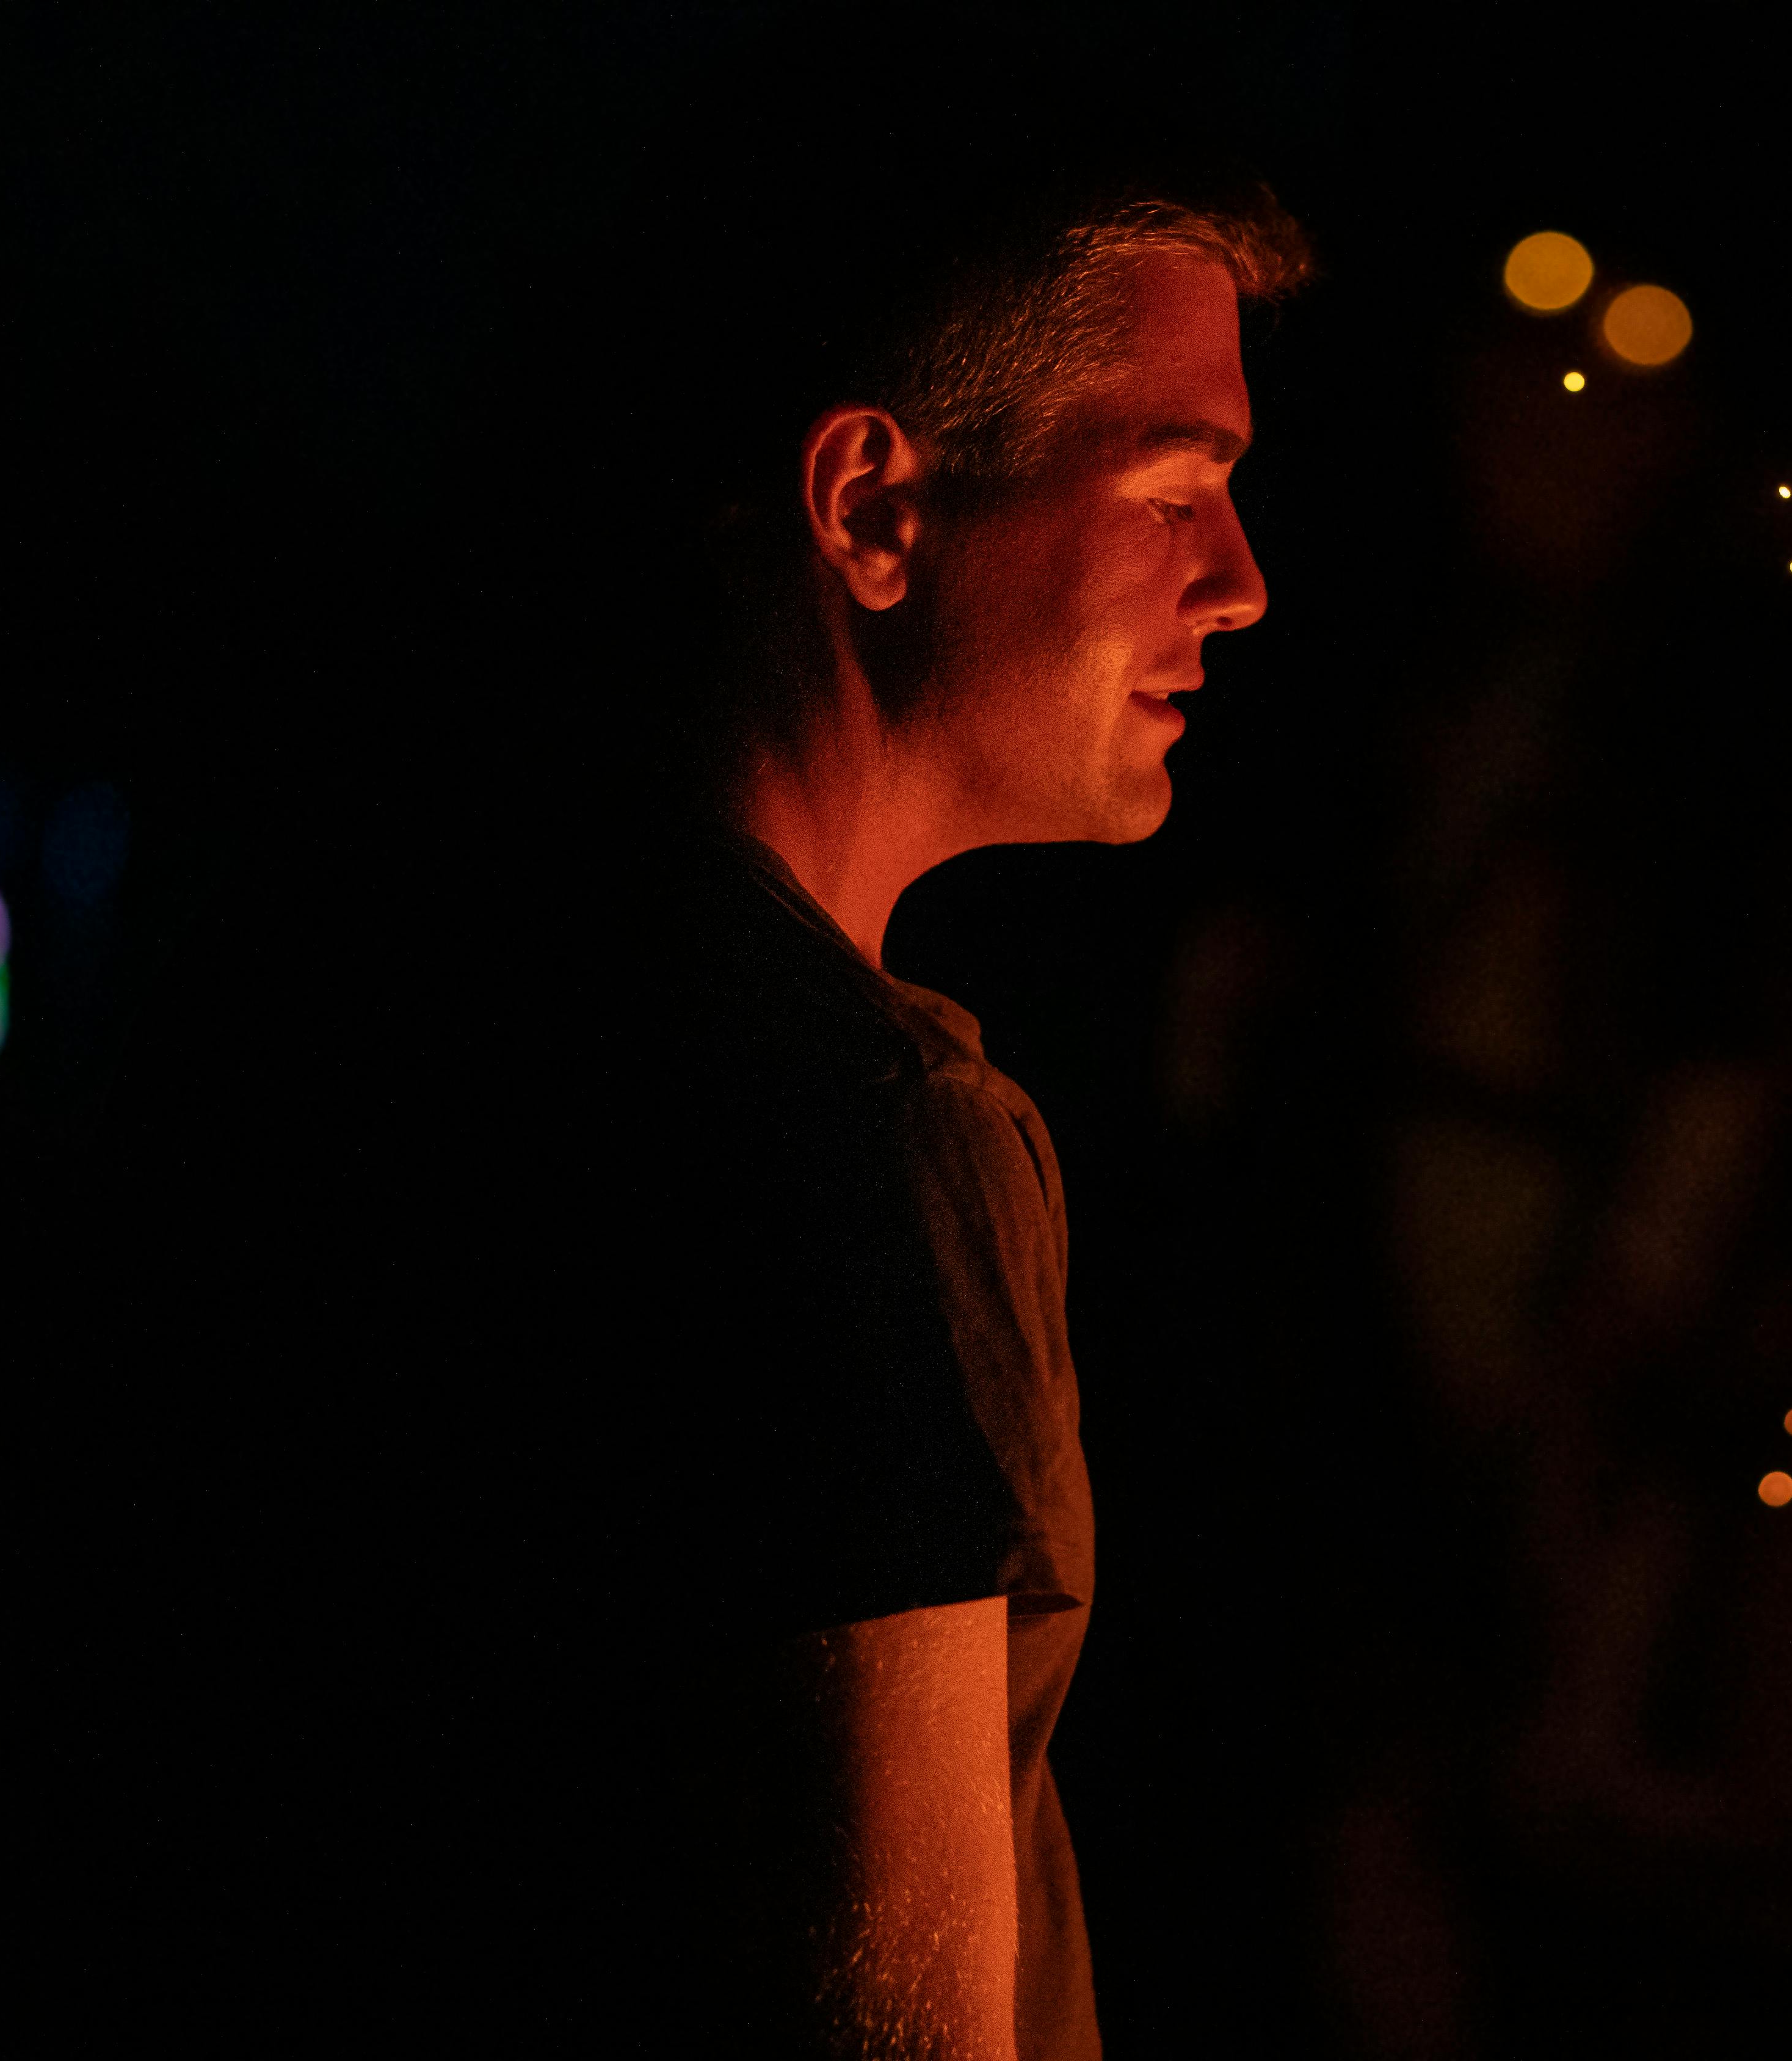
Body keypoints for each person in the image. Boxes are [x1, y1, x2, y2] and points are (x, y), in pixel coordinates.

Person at [450, 73, 1308, 2056]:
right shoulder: (851, 1129)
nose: (1243, 580)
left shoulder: (521, 995)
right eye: (1174, 492)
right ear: (875, 507)